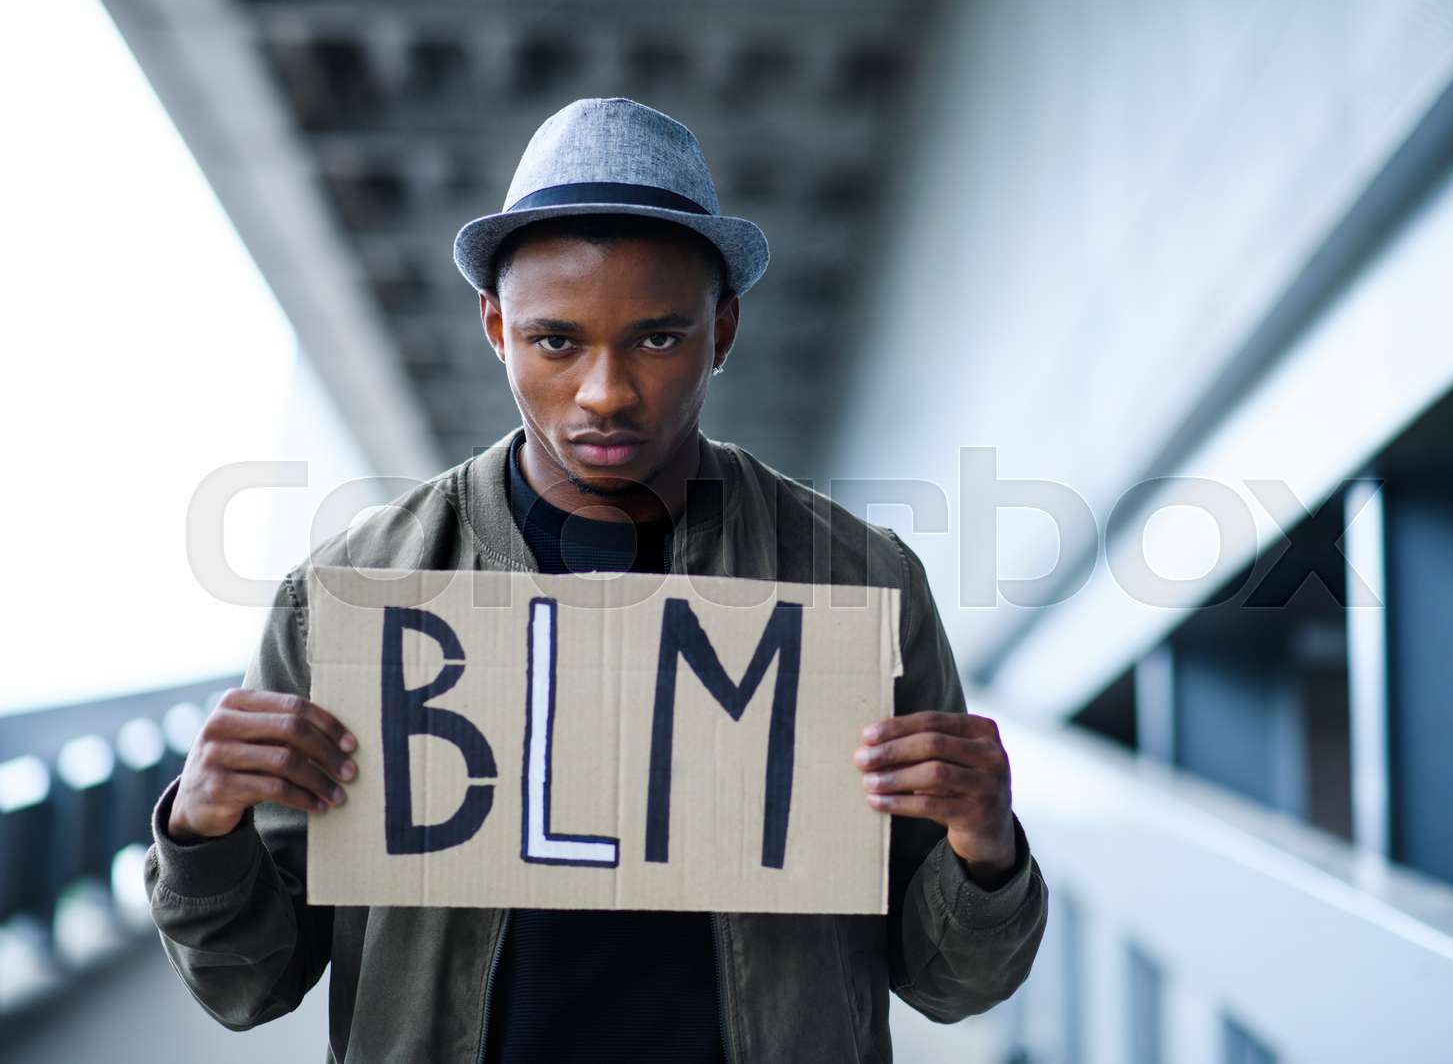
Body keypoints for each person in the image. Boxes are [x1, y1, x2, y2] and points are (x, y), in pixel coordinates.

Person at [145, 97, 1046, 1063]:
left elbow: (955, 986)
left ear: (723, 330)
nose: (605, 391)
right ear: (496, 327)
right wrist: (204, 830)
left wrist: (984, 846)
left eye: (658, 339)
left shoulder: (862, 586)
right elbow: (252, 985)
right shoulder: (352, 592)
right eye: (556, 340)